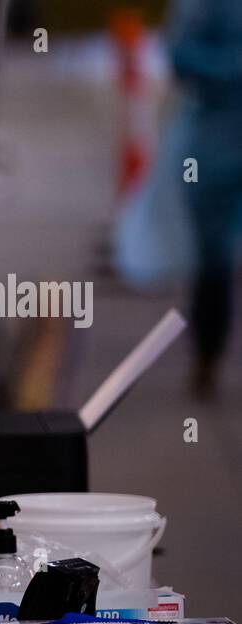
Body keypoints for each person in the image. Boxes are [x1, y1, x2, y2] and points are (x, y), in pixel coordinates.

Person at [169, 0, 242, 397]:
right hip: (216, 147)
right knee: (214, 257)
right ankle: (207, 355)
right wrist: (233, 69)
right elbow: (180, 56)